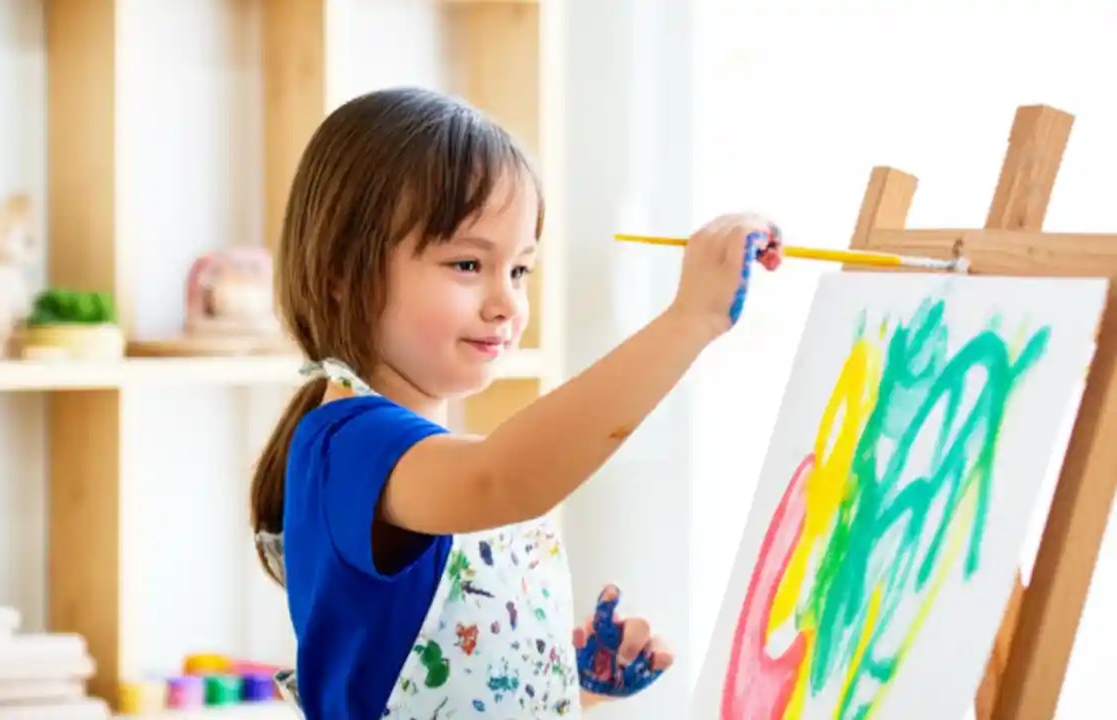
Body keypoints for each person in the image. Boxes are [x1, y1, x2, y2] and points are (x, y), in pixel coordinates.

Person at [249, 86, 780, 718]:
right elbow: (501, 478)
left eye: (520, 271)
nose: (506, 303)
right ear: (341, 273)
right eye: (469, 264)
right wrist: (690, 319)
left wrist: (562, 681)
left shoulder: (419, 458)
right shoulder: (350, 443)